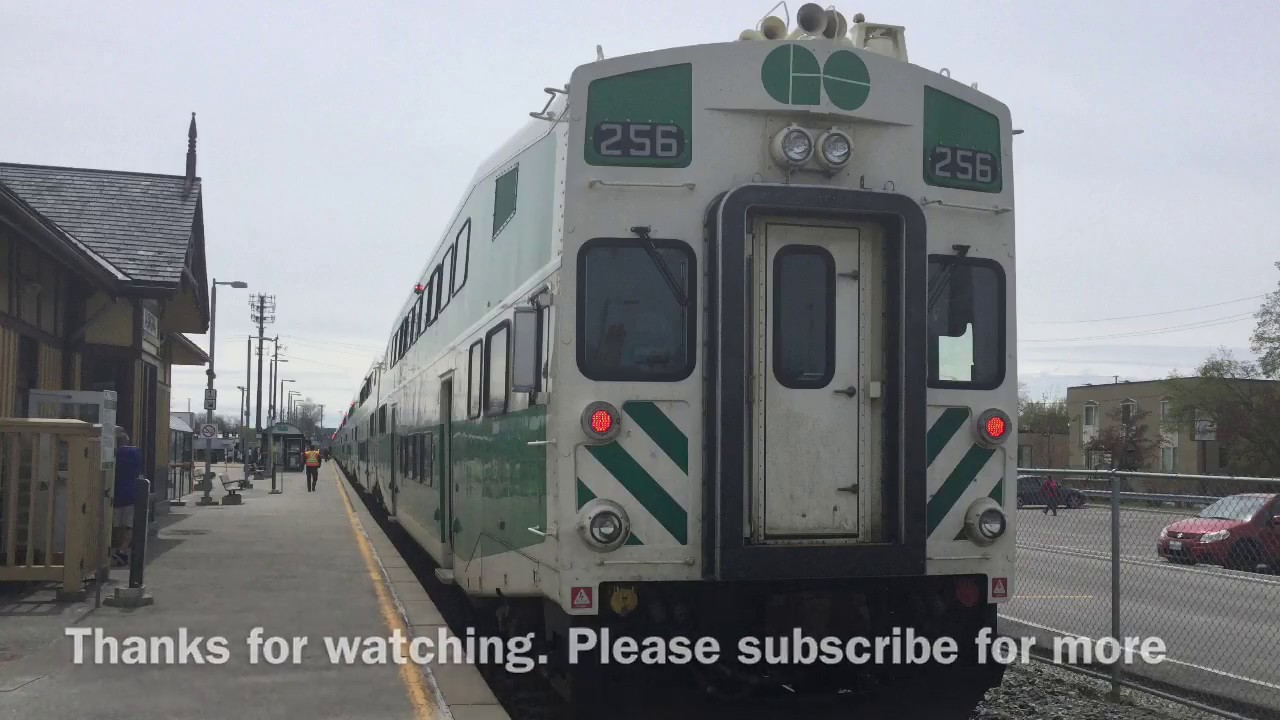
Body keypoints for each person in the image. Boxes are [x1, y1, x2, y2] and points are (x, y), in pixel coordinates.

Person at [112, 428, 144, 567]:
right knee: (129, 525)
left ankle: (120, 549)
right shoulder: (135, 453)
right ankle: (123, 550)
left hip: (115, 493)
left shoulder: (113, 454)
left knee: (118, 525)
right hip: (131, 494)